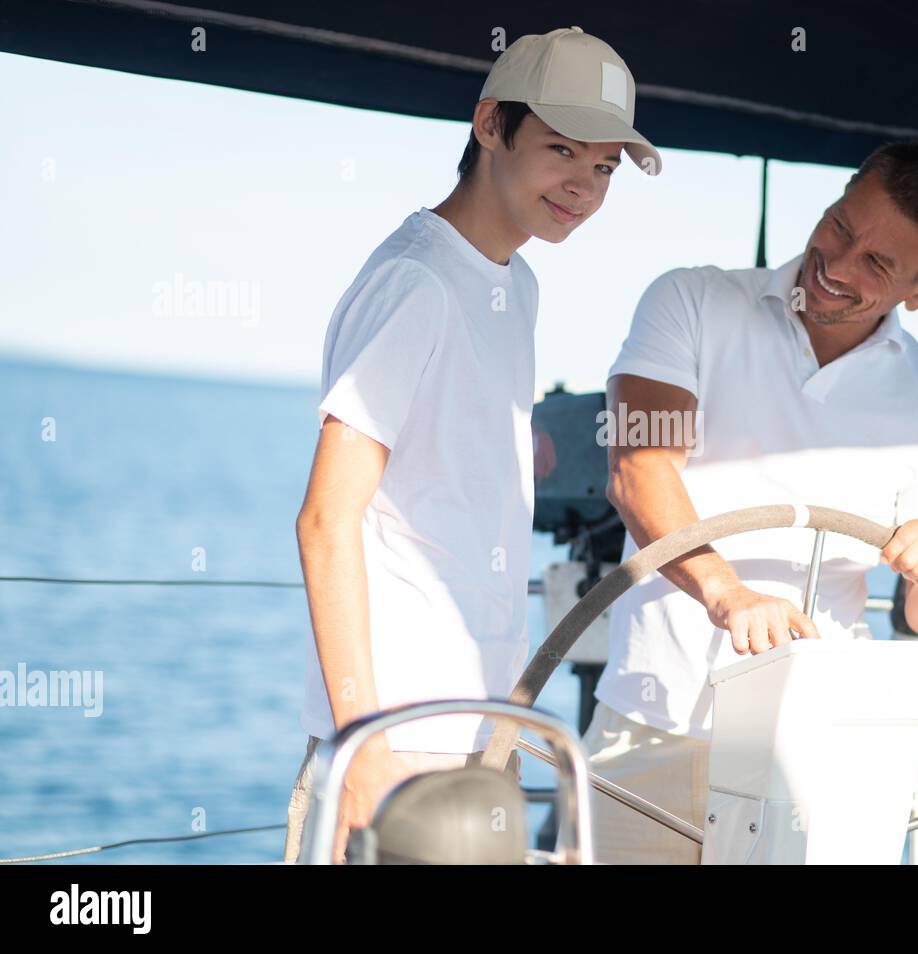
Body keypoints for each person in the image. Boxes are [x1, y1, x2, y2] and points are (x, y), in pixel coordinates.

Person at [284, 26, 661, 865]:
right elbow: (324, 521)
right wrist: (362, 745)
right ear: (491, 125)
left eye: (603, 168)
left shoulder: (514, 282)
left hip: (479, 723)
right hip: (396, 736)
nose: (584, 187)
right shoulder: (417, 282)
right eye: (562, 149)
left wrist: (506, 452)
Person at [585, 142, 918, 864]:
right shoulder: (691, 300)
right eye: (840, 227)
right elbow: (639, 472)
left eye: (879, 264)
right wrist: (727, 592)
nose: (836, 266)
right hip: (653, 723)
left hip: (820, 746)